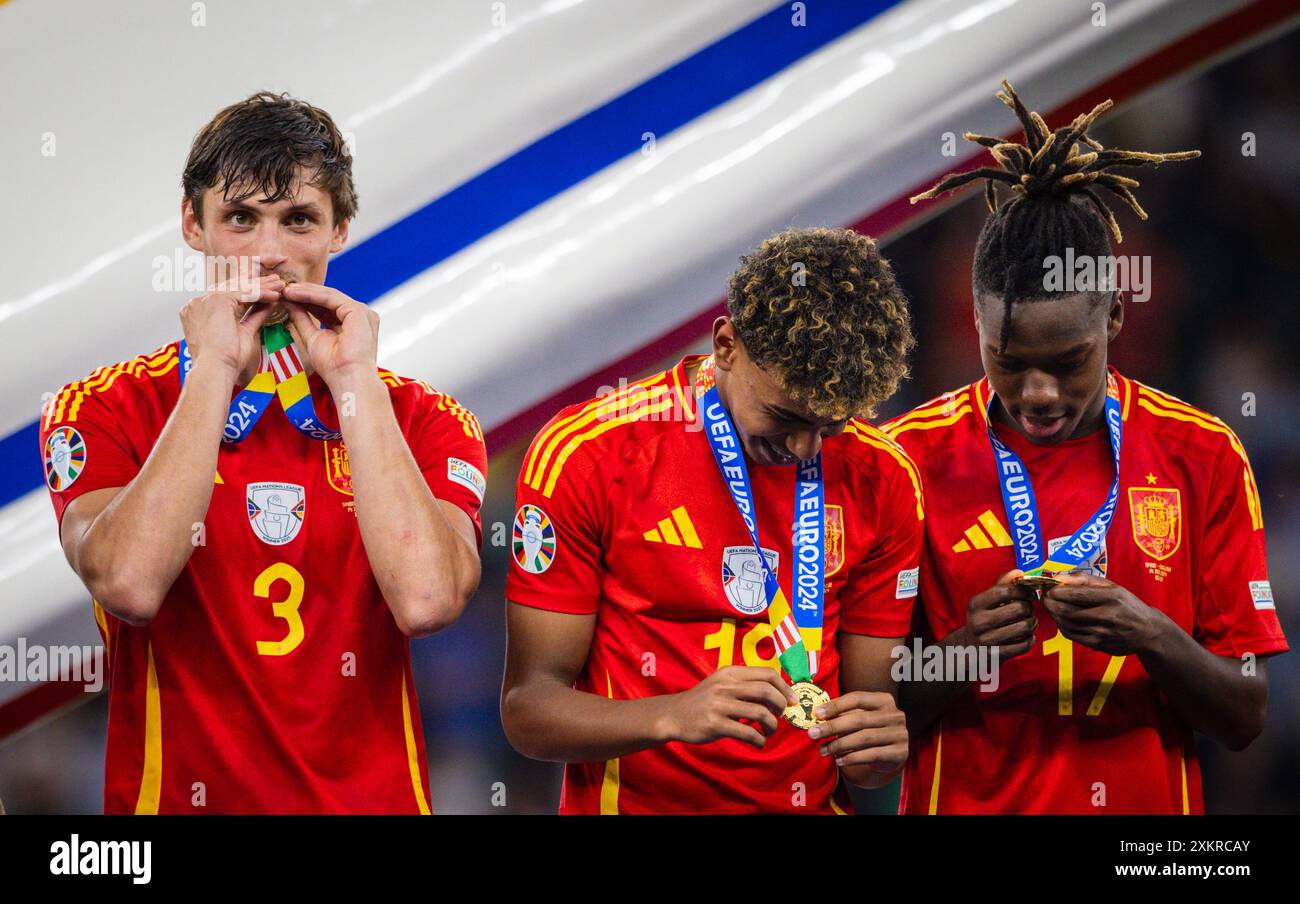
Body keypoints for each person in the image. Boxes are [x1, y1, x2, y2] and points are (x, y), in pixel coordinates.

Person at [38, 92, 487, 814]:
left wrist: (353, 386)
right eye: (241, 217)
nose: (270, 253)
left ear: (339, 230)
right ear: (194, 225)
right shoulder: (103, 407)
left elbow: (428, 599)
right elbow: (128, 583)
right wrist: (213, 370)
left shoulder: (424, 418)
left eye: (299, 220)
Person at [886, 81, 1288, 813]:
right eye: (1007, 361)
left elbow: (1246, 715)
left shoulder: (1202, 454)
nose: (1038, 392)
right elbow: (858, 724)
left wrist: (1154, 635)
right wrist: (960, 652)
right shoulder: (903, 462)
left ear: (1116, 315)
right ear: (973, 321)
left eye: (1068, 362)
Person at [501, 226, 921, 813]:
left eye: (830, 426)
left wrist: (877, 747)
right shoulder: (590, 453)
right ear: (726, 345)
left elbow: (866, 747)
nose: (804, 449)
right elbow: (528, 711)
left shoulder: (885, 477)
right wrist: (670, 713)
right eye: (783, 417)